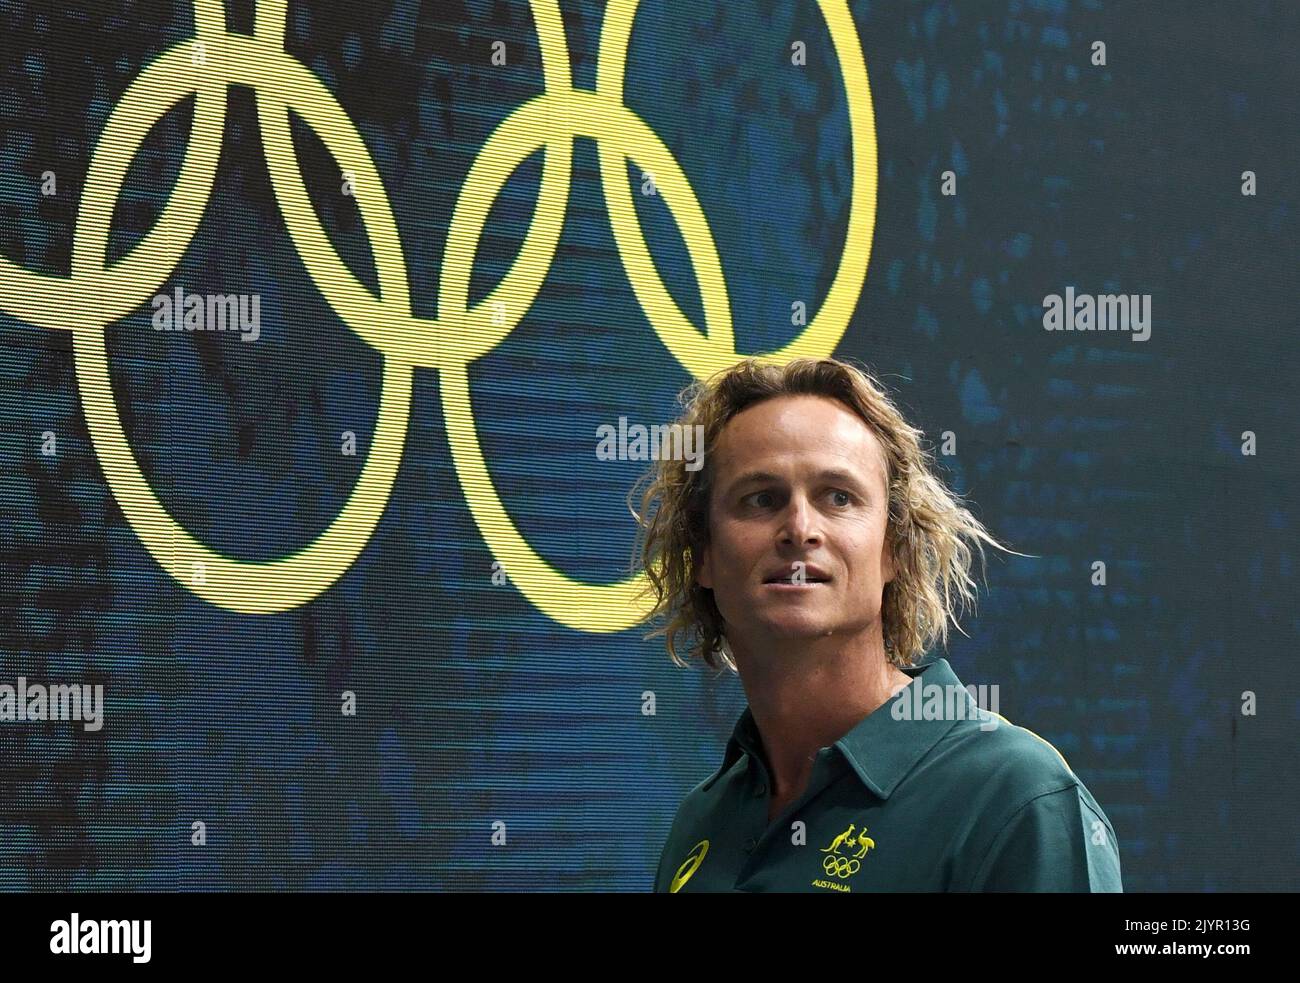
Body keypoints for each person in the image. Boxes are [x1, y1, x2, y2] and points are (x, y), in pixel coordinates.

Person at [630, 356, 1122, 892]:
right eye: (761, 499)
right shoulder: (701, 822)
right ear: (702, 554)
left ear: (894, 549)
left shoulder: (1015, 800)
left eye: (838, 497)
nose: (799, 528)